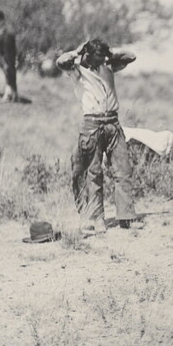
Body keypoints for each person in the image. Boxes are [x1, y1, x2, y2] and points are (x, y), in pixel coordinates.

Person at [56, 39, 142, 235]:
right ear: (88, 55)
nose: (100, 61)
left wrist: (109, 52)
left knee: (123, 170)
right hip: (92, 125)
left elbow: (131, 56)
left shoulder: (108, 66)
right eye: (97, 57)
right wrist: (77, 51)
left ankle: (126, 218)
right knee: (93, 173)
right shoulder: (77, 70)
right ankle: (97, 219)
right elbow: (61, 62)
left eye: (102, 57)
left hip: (113, 123)